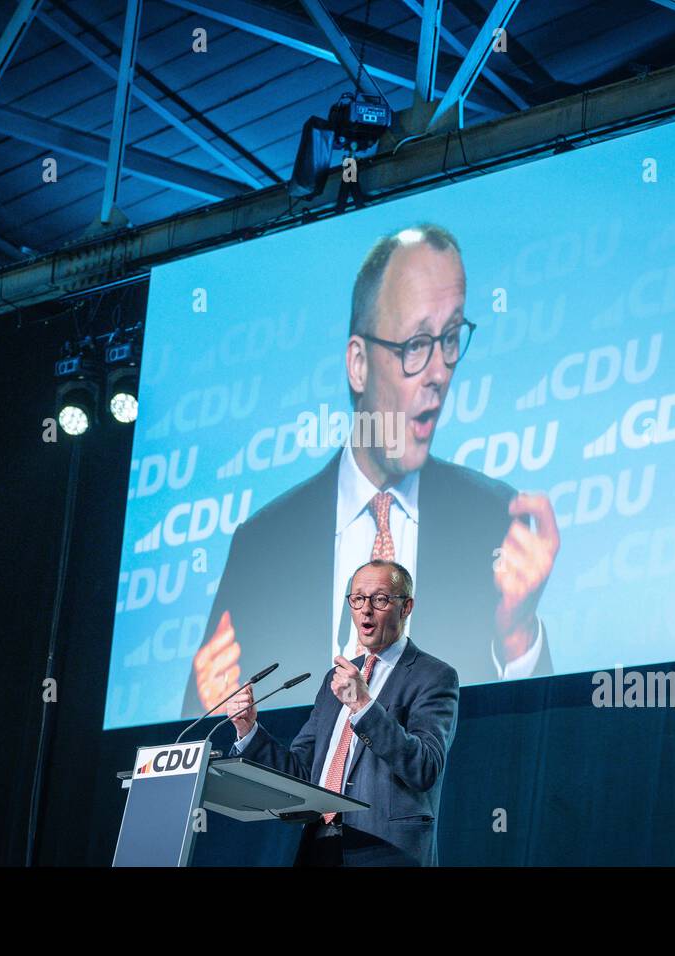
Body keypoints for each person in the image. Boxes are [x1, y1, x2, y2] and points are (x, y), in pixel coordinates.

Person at [185, 224, 560, 717]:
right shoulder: (263, 543)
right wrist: (211, 708)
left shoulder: (492, 518)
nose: (439, 373)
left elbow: (532, 726)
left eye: (450, 339)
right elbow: (210, 714)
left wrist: (518, 635)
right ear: (358, 364)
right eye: (416, 344)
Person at [226, 560, 459, 866]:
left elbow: (424, 767)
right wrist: (249, 730)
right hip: (320, 846)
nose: (366, 609)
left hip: (385, 851)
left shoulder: (432, 676)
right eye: (358, 599)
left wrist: (364, 706)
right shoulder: (334, 679)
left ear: (406, 607)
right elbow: (301, 773)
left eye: (380, 599)